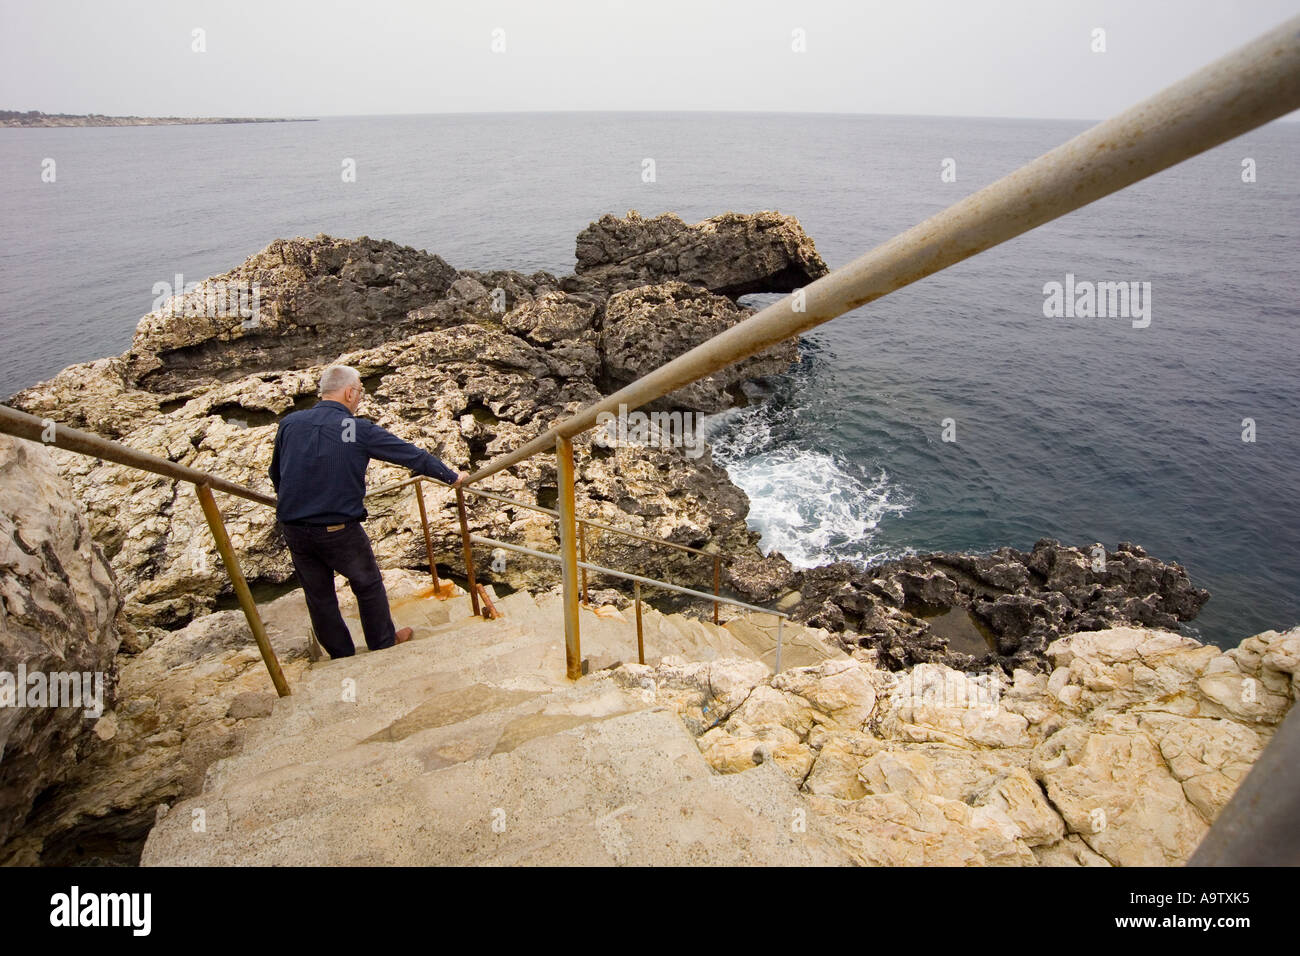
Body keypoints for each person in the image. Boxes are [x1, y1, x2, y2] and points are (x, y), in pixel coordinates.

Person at [269, 364, 468, 658]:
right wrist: (452, 477)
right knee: (367, 583)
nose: (359, 397)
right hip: (337, 529)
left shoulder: (291, 423)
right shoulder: (356, 429)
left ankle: (341, 656)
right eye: (360, 390)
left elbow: (276, 474)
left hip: (294, 527)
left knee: (319, 595)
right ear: (350, 392)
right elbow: (412, 455)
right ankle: (382, 643)